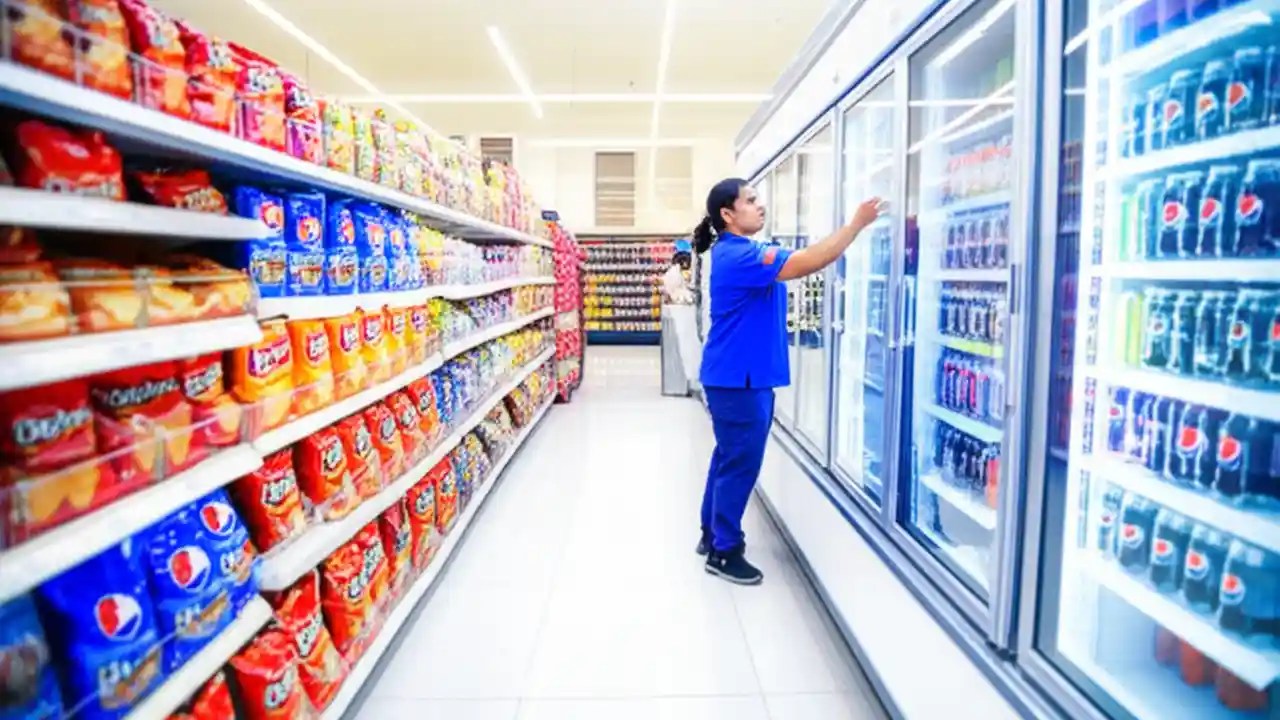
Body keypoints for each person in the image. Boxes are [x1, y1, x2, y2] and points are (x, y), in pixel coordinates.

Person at [694, 177, 884, 585]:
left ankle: (712, 534)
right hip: (739, 380)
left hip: (738, 376)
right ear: (728, 214)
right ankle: (724, 551)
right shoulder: (737, 257)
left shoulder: (745, 251)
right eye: (750, 201)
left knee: (728, 456)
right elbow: (812, 261)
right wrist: (855, 225)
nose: (759, 206)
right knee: (740, 463)